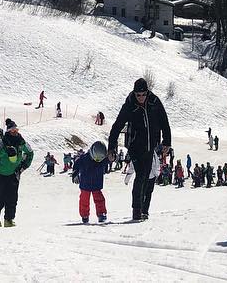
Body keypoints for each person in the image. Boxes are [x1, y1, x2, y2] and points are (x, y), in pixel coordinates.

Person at [108, 78, 172, 221]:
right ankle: (137, 210)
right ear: (134, 93)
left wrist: (167, 141)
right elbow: (117, 125)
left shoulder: (154, 102)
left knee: (148, 178)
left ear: (147, 92)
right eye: (138, 95)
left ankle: (144, 210)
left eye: (143, 94)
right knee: (141, 175)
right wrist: (111, 147)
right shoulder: (130, 105)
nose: (141, 97)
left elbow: (164, 121)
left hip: (150, 146)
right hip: (135, 146)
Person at [0, 119, 34, 227]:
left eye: (16, 130)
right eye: (12, 130)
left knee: (12, 197)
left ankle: (9, 220)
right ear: (8, 131)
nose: (15, 132)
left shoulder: (21, 142)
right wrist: (5, 150)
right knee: (1, 196)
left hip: (13, 174)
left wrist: (22, 167)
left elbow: (30, 153)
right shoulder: (2, 142)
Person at [73, 140, 111, 223]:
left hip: (96, 184)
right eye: (96, 159)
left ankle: (101, 214)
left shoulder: (103, 160)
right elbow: (77, 165)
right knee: (84, 200)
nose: (98, 161)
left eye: (100, 159)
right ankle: (84, 215)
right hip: (85, 184)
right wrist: (75, 173)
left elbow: (109, 159)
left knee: (100, 199)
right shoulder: (83, 158)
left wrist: (112, 157)